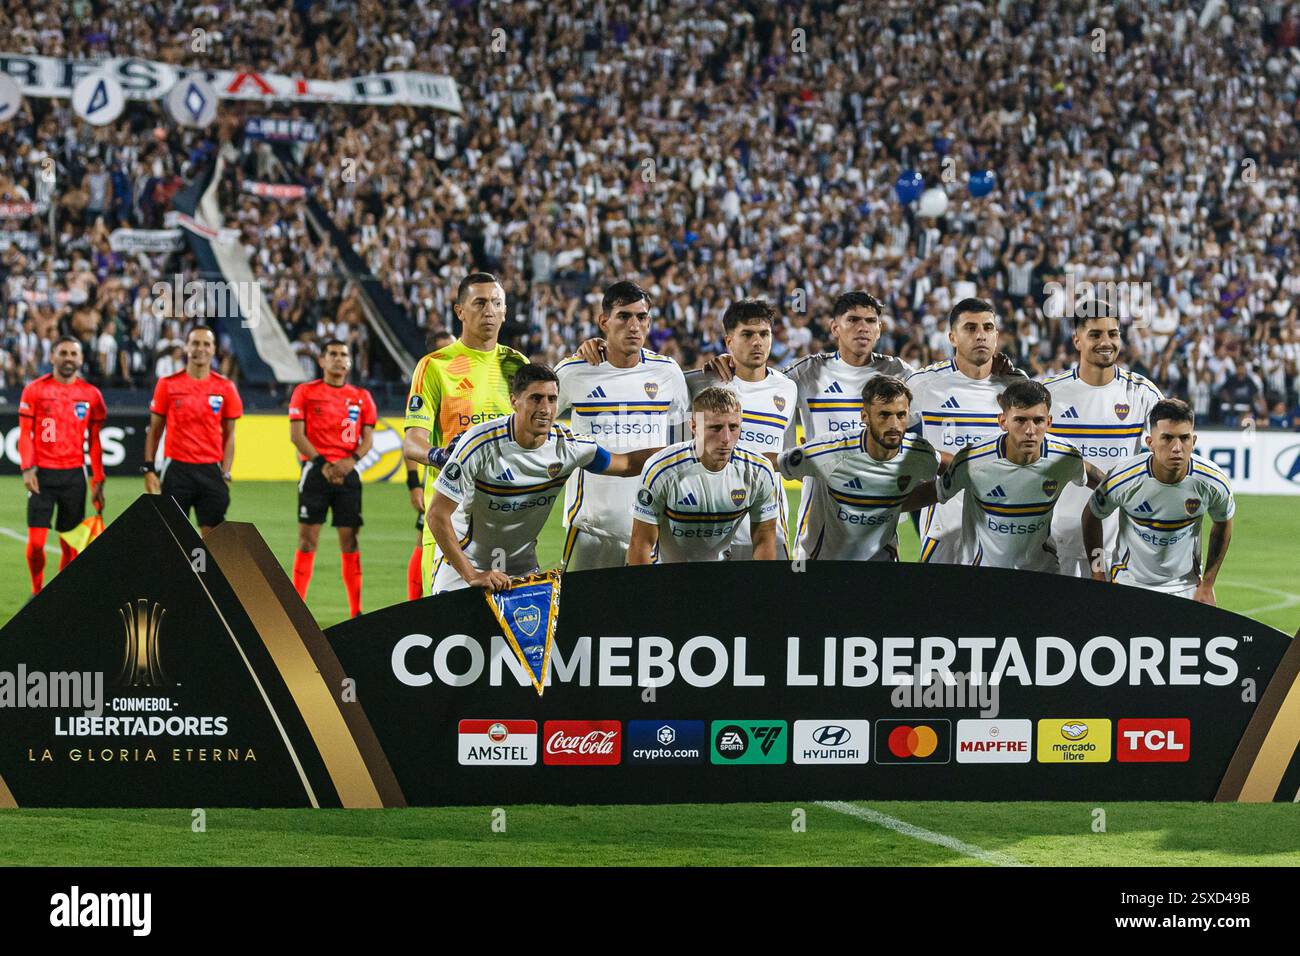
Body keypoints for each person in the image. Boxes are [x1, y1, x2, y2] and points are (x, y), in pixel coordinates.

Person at [426, 364, 658, 592]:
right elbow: (437, 514)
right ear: (514, 401)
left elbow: (627, 463)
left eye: (552, 399)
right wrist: (472, 575)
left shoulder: (570, 446)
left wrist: (684, 450)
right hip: (462, 566)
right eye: (536, 398)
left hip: (521, 569)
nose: (546, 408)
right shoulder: (479, 443)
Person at [402, 274, 529, 596]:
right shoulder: (435, 366)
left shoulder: (518, 365)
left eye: (496, 303)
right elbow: (412, 442)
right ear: (460, 311)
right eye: (480, 302)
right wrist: (441, 456)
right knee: (448, 630)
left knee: (510, 633)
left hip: (509, 522)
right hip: (452, 519)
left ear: (505, 312)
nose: (489, 310)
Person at [555, 280, 690, 571]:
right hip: (591, 527)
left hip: (650, 524)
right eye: (624, 316)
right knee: (584, 613)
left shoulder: (667, 372)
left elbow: (681, 445)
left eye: (641, 317)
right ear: (604, 321)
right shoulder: (572, 372)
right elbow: (536, 420)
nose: (634, 326)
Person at [910, 380, 1105, 571]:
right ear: (1003, 421)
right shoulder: (973, 460)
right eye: (1020, 420)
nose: (1030, 430)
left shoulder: (1065, 457)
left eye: (1038, 420)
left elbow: (1103, 483)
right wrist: (885, 505)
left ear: (1049, 422)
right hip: (986, 574)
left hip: (1042, 573)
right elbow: (933, 492)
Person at [1042, 310, 1164, 578]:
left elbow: (1167, 451)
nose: (1105, 342)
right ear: (1077, 341)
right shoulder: (1049, 392)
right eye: (1095, 334)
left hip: (1120, 546)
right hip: (1056, 541)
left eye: (1113, 333)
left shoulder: (1142, 393)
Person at [906, 298, 1025, 564]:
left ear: (996, 335)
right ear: (952, 337)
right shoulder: (923, 384)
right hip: (942, 531)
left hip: (1001, 527)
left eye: (988, 328)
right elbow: (885, 431)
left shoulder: (1015, 386)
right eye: (970, 328)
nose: (980, 335)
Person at [1083, 399, 1234, 604]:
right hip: (1129, 585)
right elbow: (1091, 515)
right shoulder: (1124, 478)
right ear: (1150, 443)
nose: (1177, 448)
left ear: (1194, 441)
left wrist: (1207, 584)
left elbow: (1223, 523)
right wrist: (1098, 573)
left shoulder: (1212, 481)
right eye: (1167, 438)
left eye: (1184, 438)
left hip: (1187, 587)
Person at [777, 375, 939, 561]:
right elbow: (772, 463)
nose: (894, 424)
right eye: (884, 415)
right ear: (864, 416)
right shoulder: (830, 451)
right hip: (825, 564)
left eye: (901, 415)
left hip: (881, 564)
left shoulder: (919, 452)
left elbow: (948, 468)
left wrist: (946, 488)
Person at [683, 299, 797, 558]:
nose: (757, 342)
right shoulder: (701, 383)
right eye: (747, 334)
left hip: (769, 528)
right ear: (729, 342)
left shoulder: (787, 388)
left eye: (764, 334)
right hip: (713, 528)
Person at [628, 387, 780, 564]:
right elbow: (641, 543)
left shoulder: (759, 470)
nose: (726, 438)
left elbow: (765, 539)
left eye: (733, 427)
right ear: (693, 426)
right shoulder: (661, 469)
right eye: (715, 428)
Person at [287, 339, 377, 617]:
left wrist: (350, 462)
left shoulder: (362, 397)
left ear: (349, 362)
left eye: (344, 354)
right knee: (307, 540)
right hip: (315, 472)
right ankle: (296, 609)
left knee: (350, 541)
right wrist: (322, 464)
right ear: (322, 361)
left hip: (348, 474)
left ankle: (356, 611)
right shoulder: (305, 392)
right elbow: (296, 435)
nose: (339, 359)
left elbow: (368, 439)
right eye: (333, 354)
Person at [17, 336, 107, 594]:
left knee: (69, 545)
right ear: (52, 357)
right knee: (36, 543)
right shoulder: (35, 390)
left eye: (73, 354)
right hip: (42, 476)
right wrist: (27, 467)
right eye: (63, 353)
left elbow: (96, 442)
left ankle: (57, 595)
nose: (68, 358)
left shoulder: (91, 395)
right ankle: (37, 592)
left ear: (80, 359)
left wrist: (98, 479)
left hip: (74, 477)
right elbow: (25, 433)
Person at [143, 326, 242, 534]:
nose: (201, 348)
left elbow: (230, 434)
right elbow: (154, 431)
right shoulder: (167, 385)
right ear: (187, 346)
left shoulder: (226, 388)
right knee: (173, 540)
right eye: (195, 343)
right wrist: (149, 468)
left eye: (206, 344)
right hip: (177, 470)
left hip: (211, 470)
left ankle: (203, 569)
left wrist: (226, 473)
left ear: (214, 349)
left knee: (213, 542)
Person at [403, 328, 454, 600]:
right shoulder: (427, 385)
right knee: (424, 542)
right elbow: (411, 443)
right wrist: (414, 486)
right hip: (437, 485)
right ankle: (415, 603)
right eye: (446, 351)